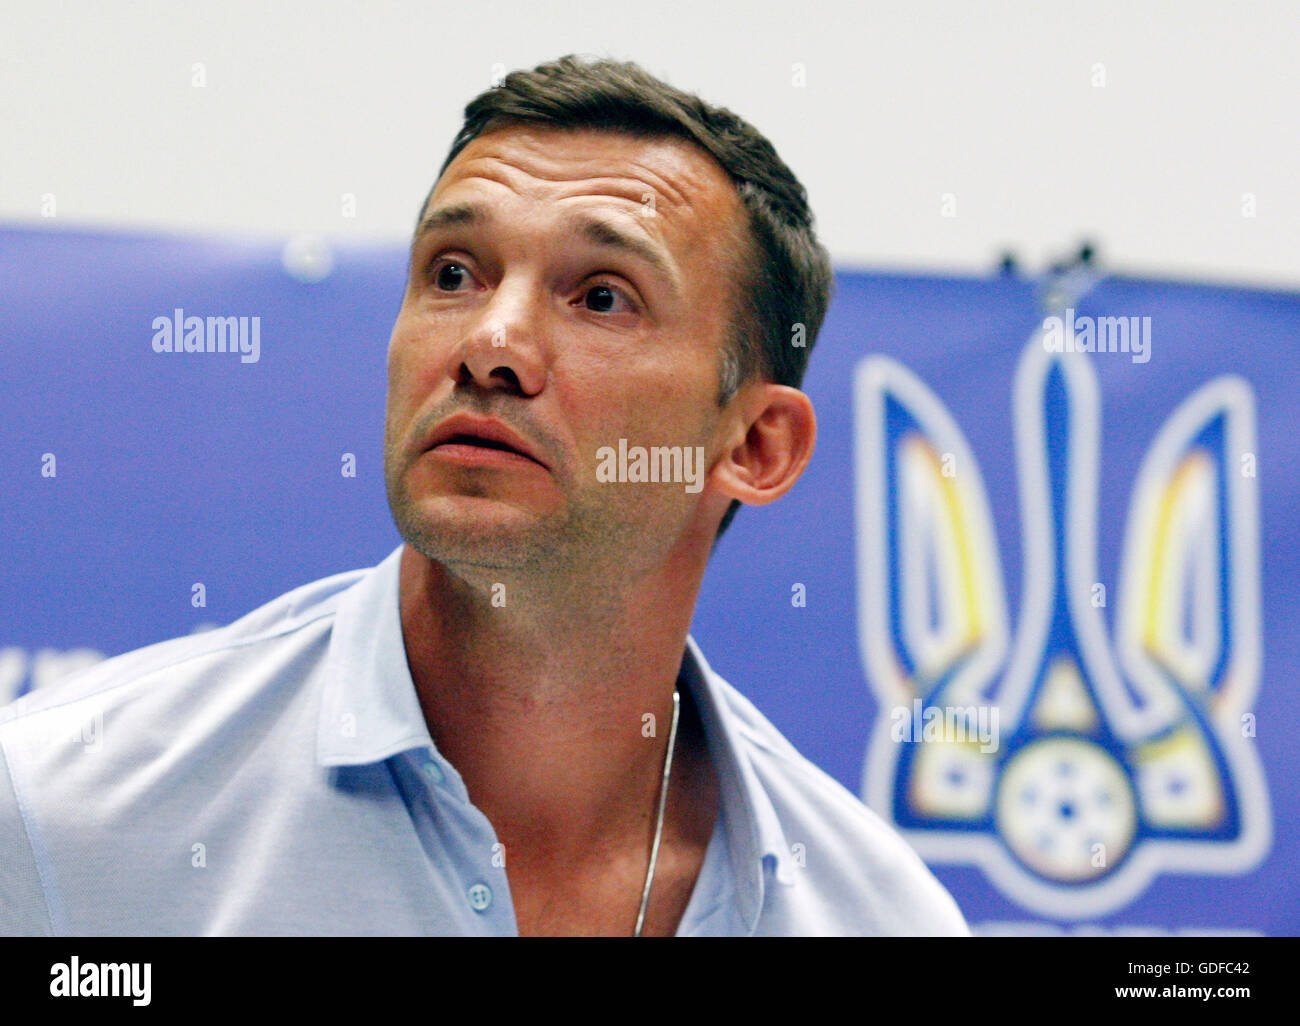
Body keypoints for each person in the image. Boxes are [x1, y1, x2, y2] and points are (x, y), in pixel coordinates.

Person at [0, 55, 968, 937]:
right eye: (454, 274)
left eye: (600, 296)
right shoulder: (62, 817)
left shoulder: (873, 918)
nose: (490, 343)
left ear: (755, 445)